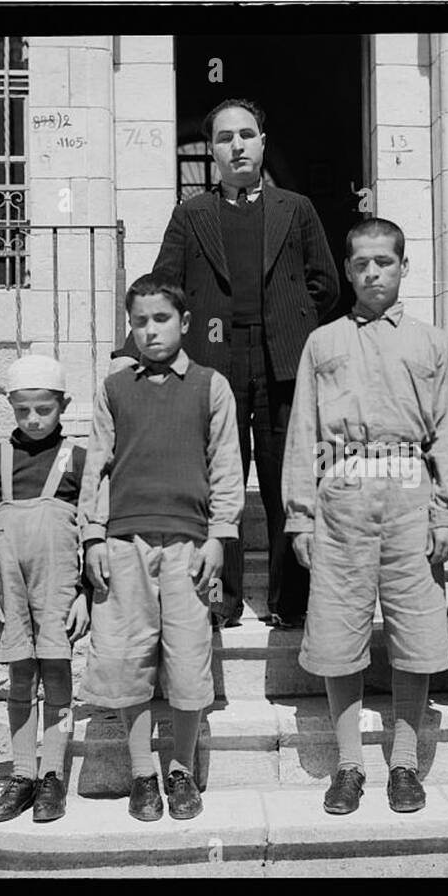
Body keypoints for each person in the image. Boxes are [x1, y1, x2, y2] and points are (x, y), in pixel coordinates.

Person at [115, 97, 340, 630]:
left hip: (282, 363)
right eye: (223, 138)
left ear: (262, 141)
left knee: (290, 480)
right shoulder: (191, 215)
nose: (236, 145)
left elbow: (325, 282)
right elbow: (165, 287)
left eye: (246, 134)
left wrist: (291, 322)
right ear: (213, 151)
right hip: (218, 365)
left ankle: (293, 602)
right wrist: (131, 353)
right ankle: (223, 599)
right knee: (221, 482)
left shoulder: (297, 208)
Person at [283, 217, 448, 816]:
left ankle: (405, 762)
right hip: (343, 491)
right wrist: (301, 517)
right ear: (347, 269)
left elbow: (447, 432)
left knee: (414, 633)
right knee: (338, 632)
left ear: (403, 266)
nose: (371, 273)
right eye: (360, 263)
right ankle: (349, 765)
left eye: (384, 262)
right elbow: (303, 430)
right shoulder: (324, 341)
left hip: (410, 491)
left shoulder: (433, 343)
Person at [79, 278, 245, 822]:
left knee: (189, 661)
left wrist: (221, 536)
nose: (151, 330)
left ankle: (179, 768)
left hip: (190, 547)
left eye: (161, 319)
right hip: (124, 542)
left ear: (184, 323)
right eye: (140, 322)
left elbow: (226, 466)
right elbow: (98, 468)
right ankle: (142, 774)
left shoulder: (209, 385)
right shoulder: (114, 388)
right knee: (128, 658)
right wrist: (93, 536)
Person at [0, 354, 89, 824]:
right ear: (11, 407)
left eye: (44, 410)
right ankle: (22, 774)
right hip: (9, 589)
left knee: (55, 671)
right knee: (20, 673)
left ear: (64, 406)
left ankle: (52, 776)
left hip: (59, 588)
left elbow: (96, 529)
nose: (34, 420)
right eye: (23, 411)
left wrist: (86, 595)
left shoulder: (78, 459)